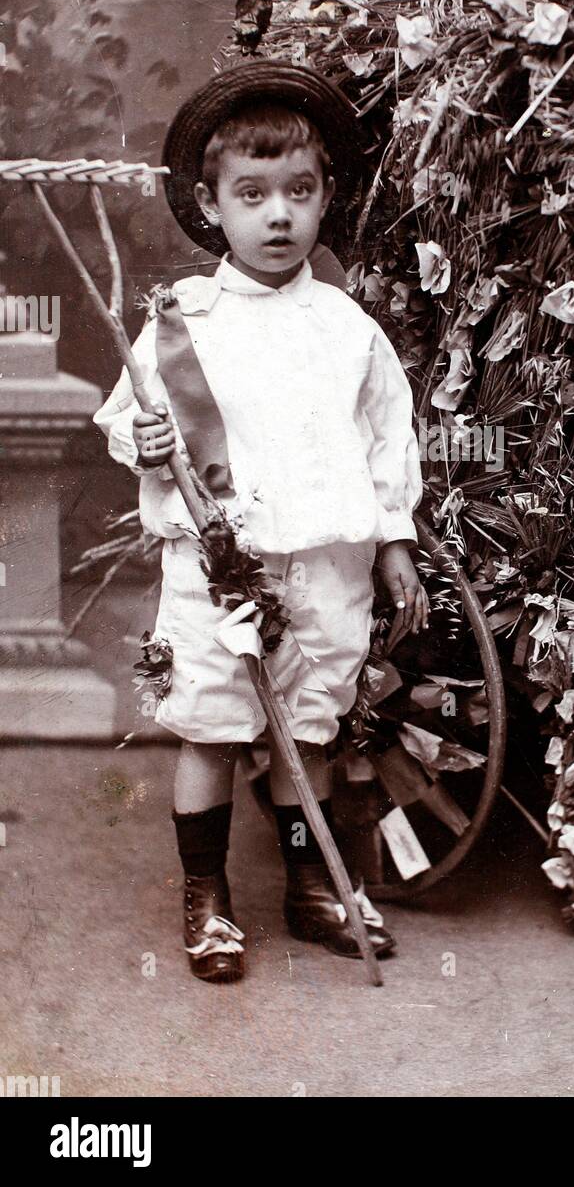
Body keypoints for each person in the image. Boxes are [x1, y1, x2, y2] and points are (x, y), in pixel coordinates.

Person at [95, 61, 427, 983]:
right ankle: (206, 899)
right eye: (252, 194)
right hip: (219, 568)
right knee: (211, 726)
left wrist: (394, 540)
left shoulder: (347, 327)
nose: (278, 215)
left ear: (324, 200)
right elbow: (127, 420)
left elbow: (383, 440)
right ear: (212, 206)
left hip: (328, 563)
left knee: (306, 731)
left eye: (299, 193)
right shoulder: (182, 323)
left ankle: (311, 887)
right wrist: (148, 436)